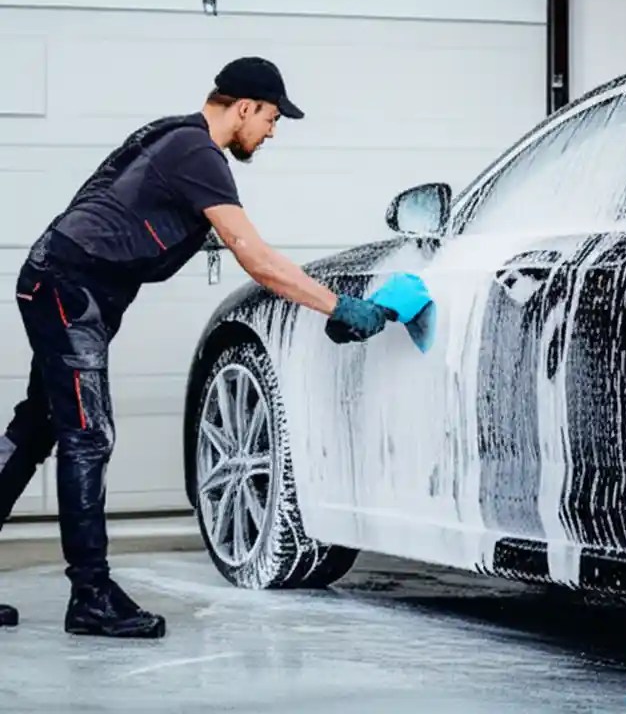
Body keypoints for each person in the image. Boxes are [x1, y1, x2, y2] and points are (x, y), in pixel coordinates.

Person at [0, 56, 392, 638]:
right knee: (88, 434)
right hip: (69, 291)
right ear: (245, 107)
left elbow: (106, 198)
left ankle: (90, 592)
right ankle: (91, 595)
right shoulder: (198, 153)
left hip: (62, 283)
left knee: (39, 426)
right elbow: (259, 260)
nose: (272, 131)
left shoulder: (172, 136)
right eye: (272, 118)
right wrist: (338, 306)